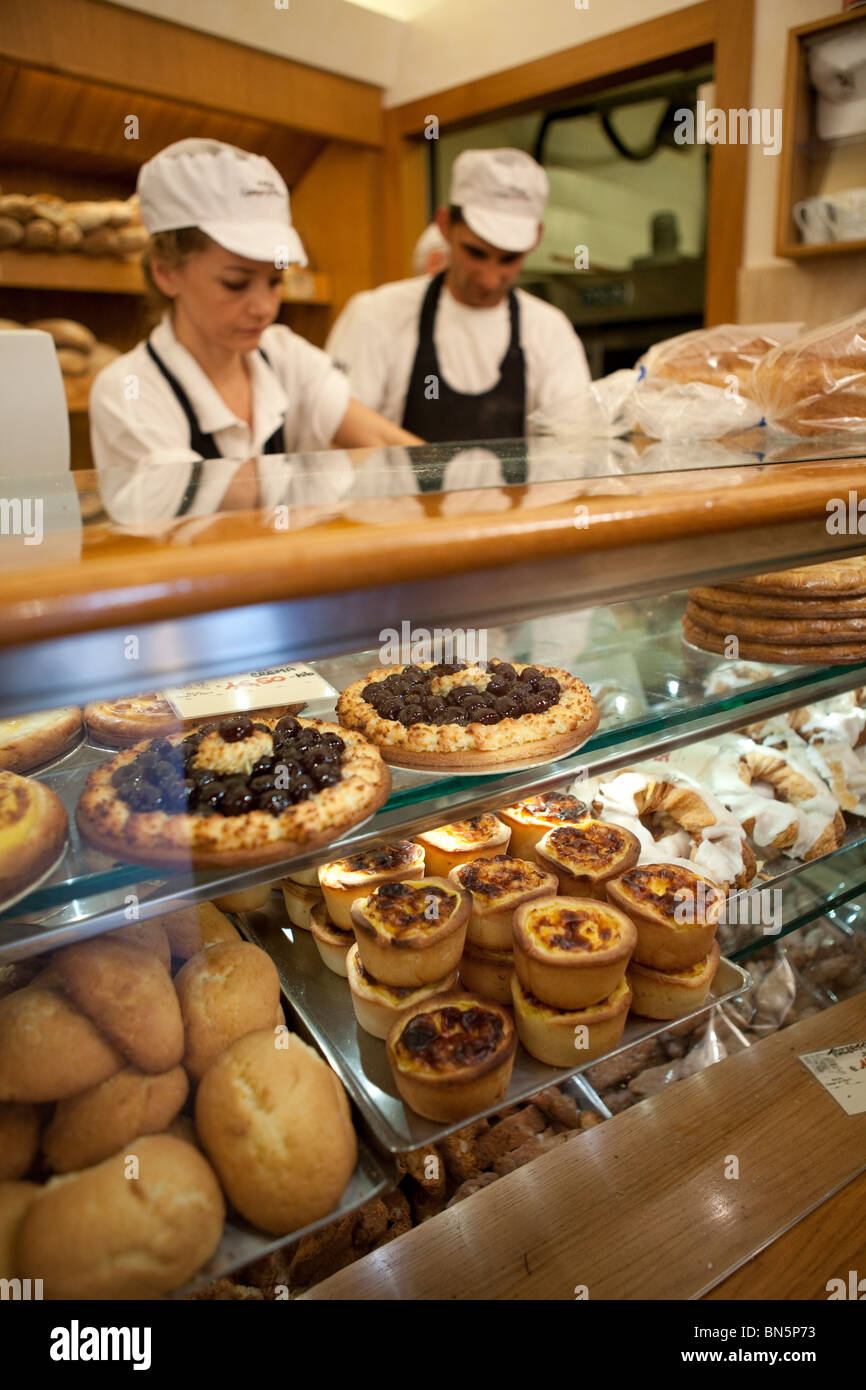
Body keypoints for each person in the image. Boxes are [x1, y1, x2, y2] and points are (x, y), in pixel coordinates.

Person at [90, 139, 420, 514]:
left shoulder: (281, 354)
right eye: (236, 283)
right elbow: (224, 502)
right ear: (166, 273)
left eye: (275, 281)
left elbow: (384, 442)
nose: (264, 308)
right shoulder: (128, 389)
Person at [325, 148, 590, 444]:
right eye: (475, 253)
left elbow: (572, 450)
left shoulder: (550, 331)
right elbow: (336, 438)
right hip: (398, 492)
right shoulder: (376, 315)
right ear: (445, 225)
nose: (490, 279)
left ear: (536, 237)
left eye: (509, 259)